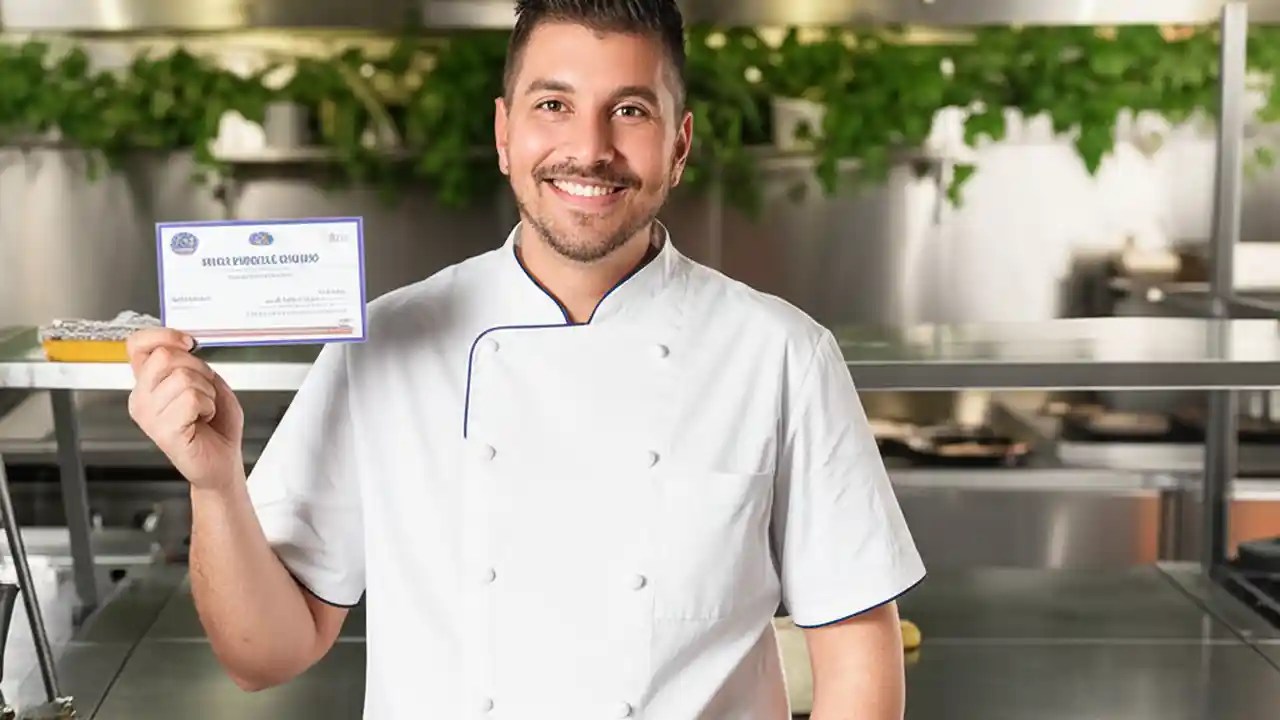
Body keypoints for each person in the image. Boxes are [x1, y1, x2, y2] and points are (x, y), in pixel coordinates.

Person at [125, 1, 926, 717]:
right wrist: (215, 481)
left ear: (680, 144)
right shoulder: (385, 342)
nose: (590, 148)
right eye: (555, 104)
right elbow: (264, 656)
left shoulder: (780, 353)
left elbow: (859, 660)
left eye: (631, 110)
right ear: (505, 133)